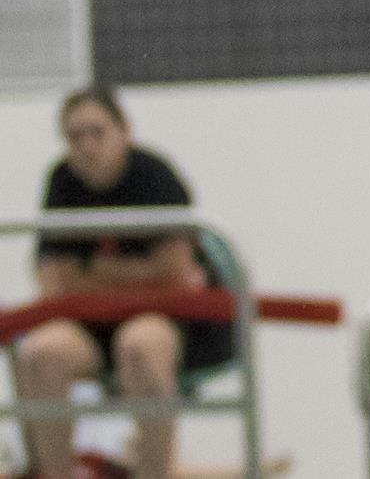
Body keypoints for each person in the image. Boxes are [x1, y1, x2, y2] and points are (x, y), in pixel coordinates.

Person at [13, 89, 231, 479]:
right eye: (75, 137)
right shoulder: (62, 182)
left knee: (140, 345)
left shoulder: (154, 177)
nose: (86, 147)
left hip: (164, 320)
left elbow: (176, 272)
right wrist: (138, 271)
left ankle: (154, 471)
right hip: (93, 327)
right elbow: (50, 280)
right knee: (38, 354)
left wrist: (91, 274)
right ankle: (56, 473)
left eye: (96, 133)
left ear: (124, 131)